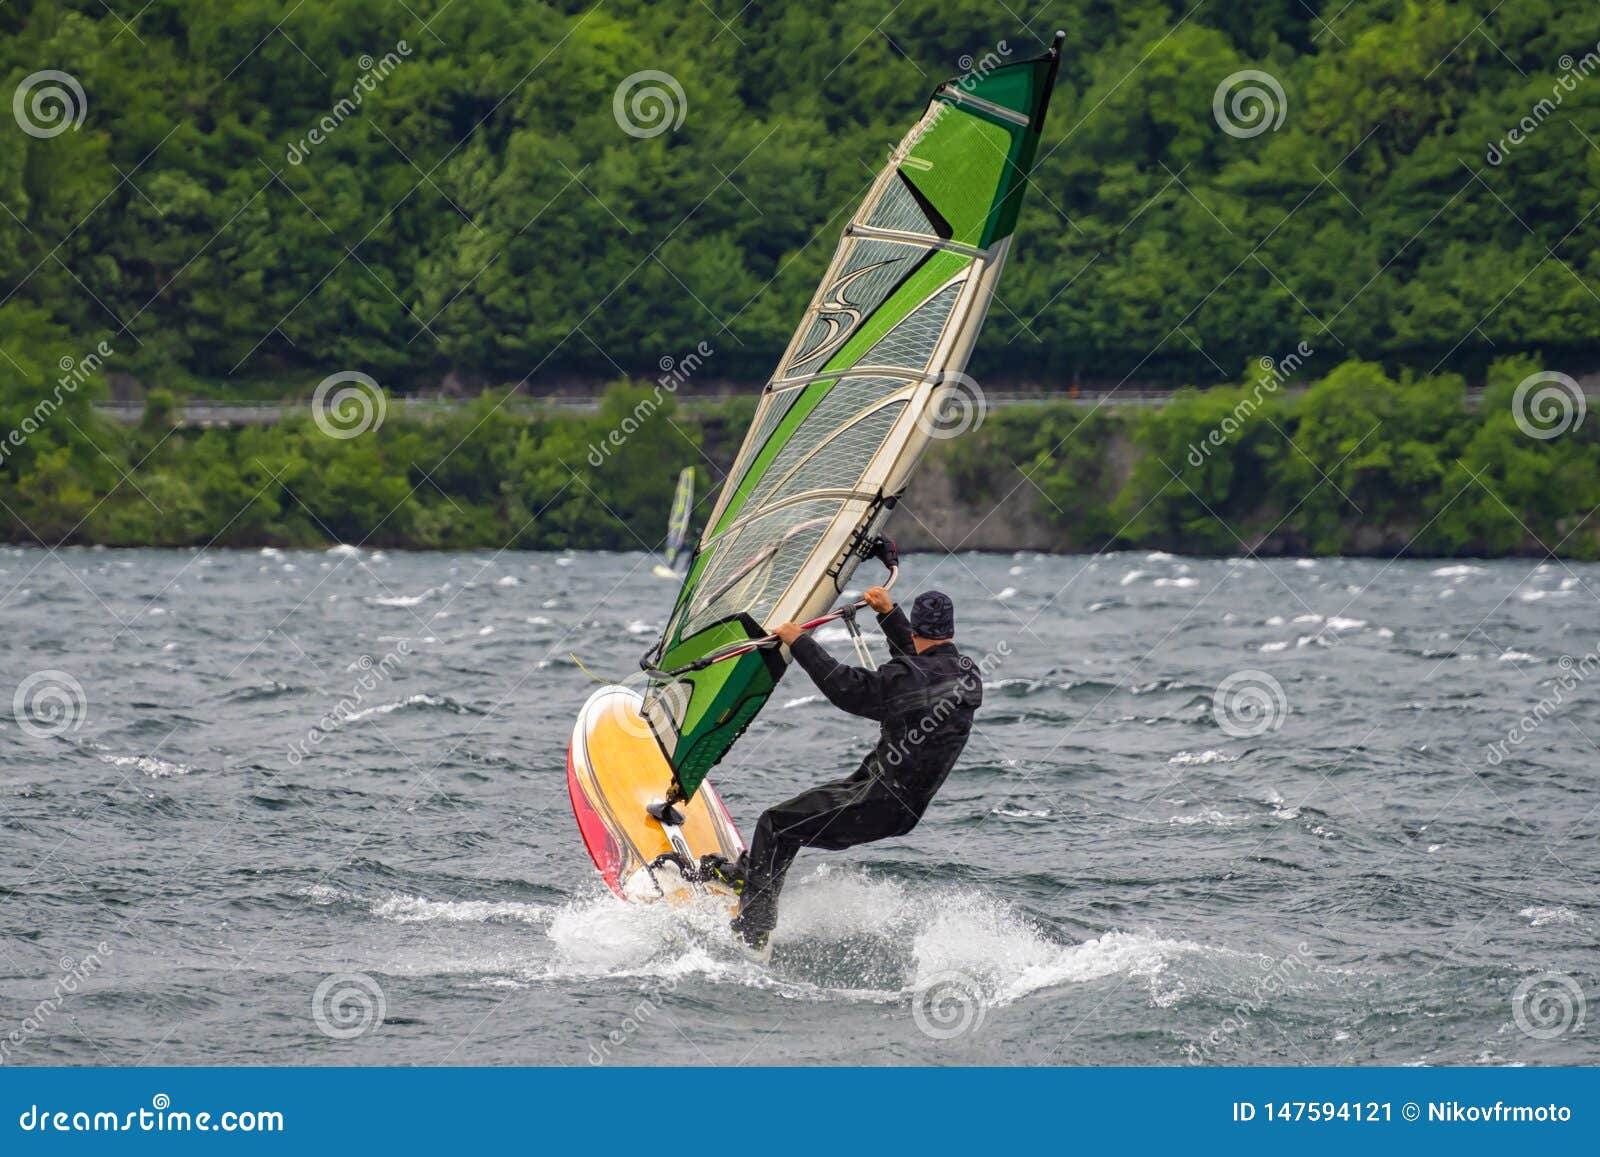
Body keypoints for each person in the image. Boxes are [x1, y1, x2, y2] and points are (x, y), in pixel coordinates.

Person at [707, 587, 983, 960]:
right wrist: (888, 615)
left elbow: (850, 690)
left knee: (775, 825)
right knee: (790, 827)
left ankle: (752, 934)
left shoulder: (915, 675)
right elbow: (919, 669)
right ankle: (755, 879)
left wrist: (799, 642)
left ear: (918, 632)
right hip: (900, 803)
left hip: (877, 800)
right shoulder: (966, 675)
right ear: (948, 631)